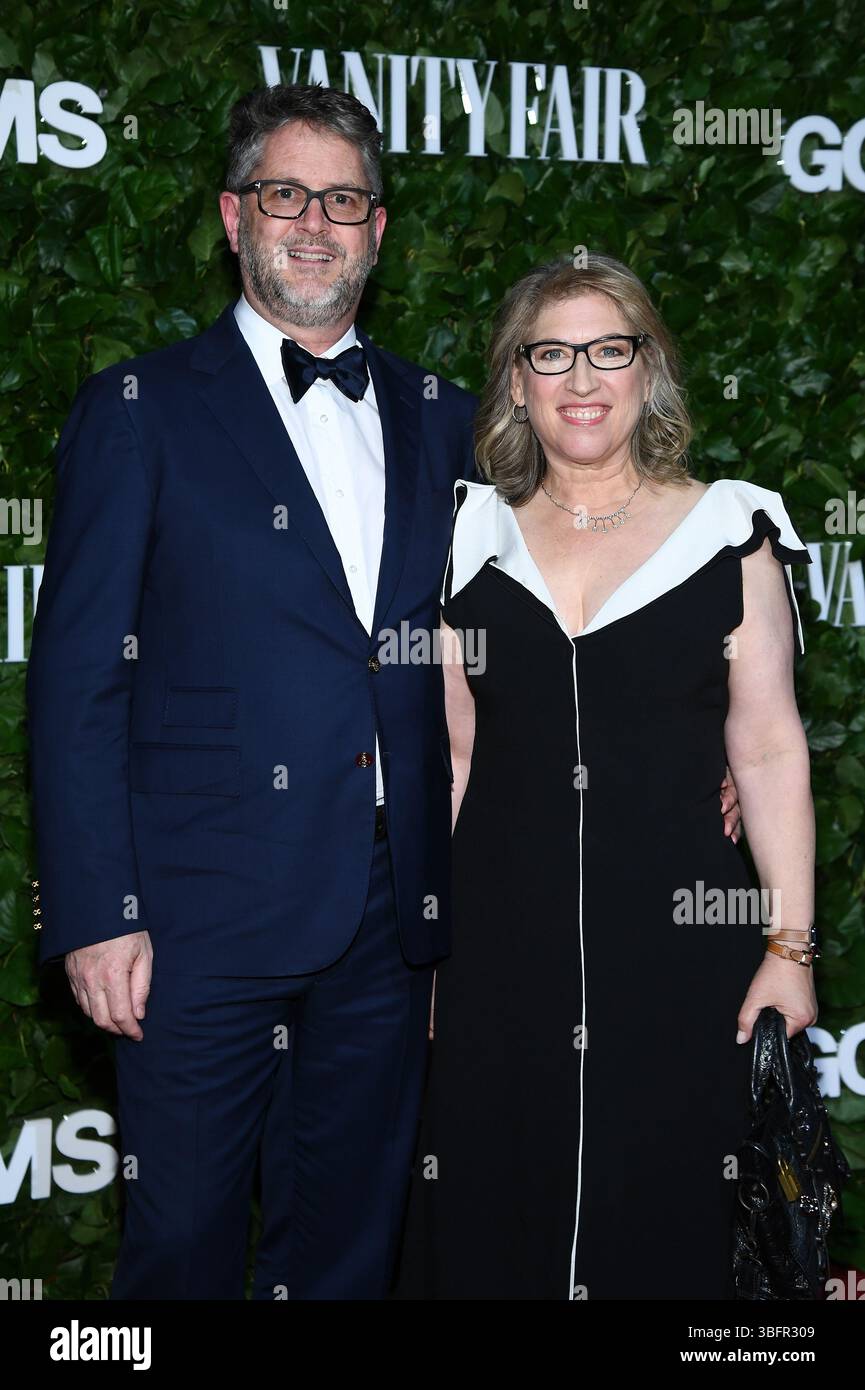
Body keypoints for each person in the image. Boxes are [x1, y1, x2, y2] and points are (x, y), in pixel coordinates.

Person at [25, 83, 479, 1300]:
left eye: (344, 199)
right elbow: (74, 682)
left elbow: (524, 630)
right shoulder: (142, 409)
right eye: (287, 194)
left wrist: (703, 738)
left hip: (387, 914)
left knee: (346, 1248)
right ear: (235, 217)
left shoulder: (444, 418)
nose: (315, 223)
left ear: (379, 230)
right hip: (191, 917)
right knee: (177, 1247)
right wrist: (94, 906)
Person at [392, 252, 817, 1301]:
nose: (581, 380)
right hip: (500, 959)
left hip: (680, 951)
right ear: (518, 382)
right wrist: (436, 956)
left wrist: (790, 946)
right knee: (497, 1213)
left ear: (647, 370)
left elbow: (766, 748)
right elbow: (453, 765)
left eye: (607, 350)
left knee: (671, 1213)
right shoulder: (470, 539)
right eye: (551, 354)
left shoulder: (731, 533)